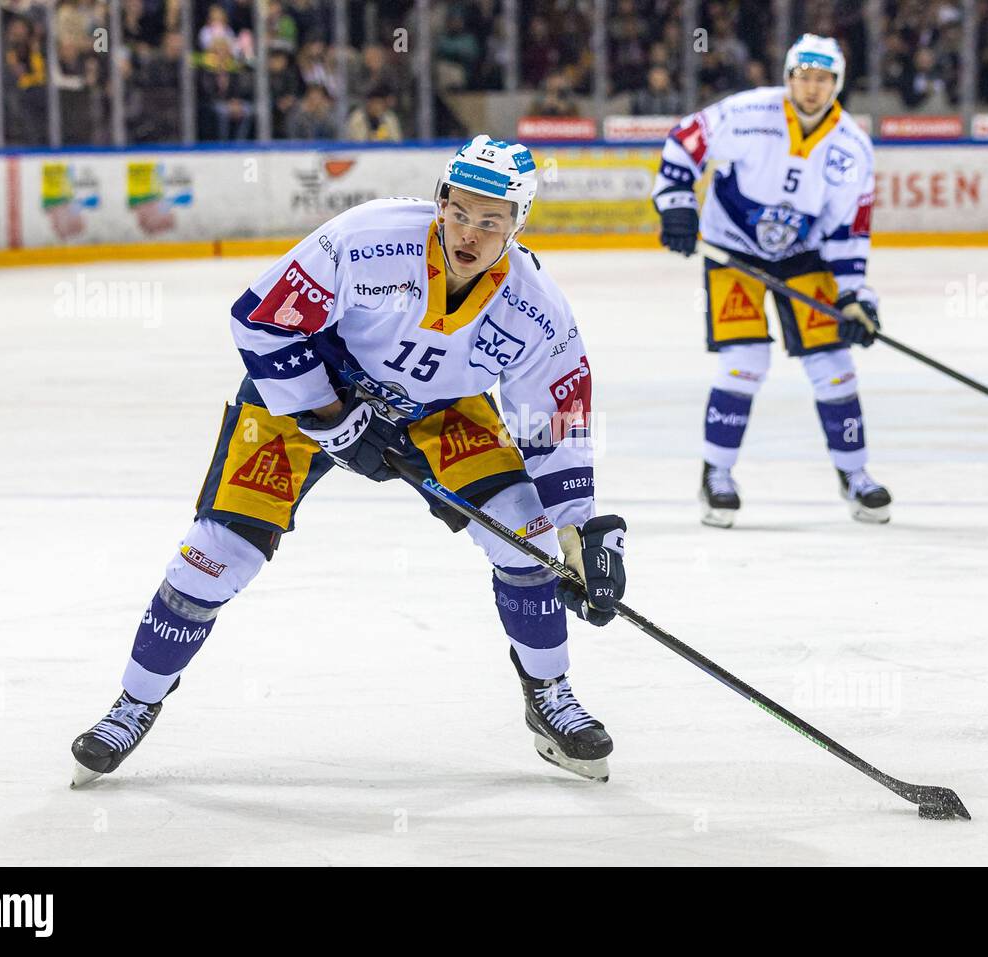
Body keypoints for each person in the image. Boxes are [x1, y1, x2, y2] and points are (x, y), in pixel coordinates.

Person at [71, 137, 627, 785]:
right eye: (459, 212)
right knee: (220, 549)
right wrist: (334, 420)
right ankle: (134, 701)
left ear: (517, 223)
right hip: (311, 390)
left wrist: (578, 531)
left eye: (490, 220)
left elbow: (557, 419)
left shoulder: (536, 308)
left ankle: (548, 693)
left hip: (440, 410)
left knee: (527, 538)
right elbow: (263, 322)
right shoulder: (368, 239)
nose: (468, 233)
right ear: (440, 201)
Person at [652, 34, 891, 527]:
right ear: (788, 77)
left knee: (834, 363)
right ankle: (716, 475)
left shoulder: (852, 148)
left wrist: (854, 296)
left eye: (822, 78)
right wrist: (676, 202)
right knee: (744, 360)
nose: (811, 87)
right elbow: (685, 139)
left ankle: (855, 474)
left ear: (837, 84)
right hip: (732, 249)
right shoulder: (748, 112)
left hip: (805, 257)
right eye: (803, 76)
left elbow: (849, 230)